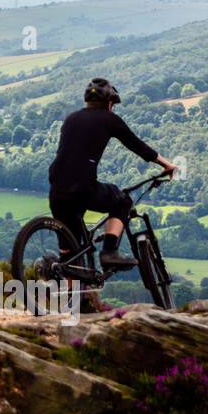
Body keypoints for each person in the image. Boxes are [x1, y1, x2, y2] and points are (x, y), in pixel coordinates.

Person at [47, 78, 176, 270]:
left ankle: (71, 296)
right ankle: (109, 251)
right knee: (122, 201)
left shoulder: (71, 118)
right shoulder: (109, 119)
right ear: (109, 103)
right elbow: (136, 145)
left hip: (57, 190)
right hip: (83, 187)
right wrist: (166, 164)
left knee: (70, 254)